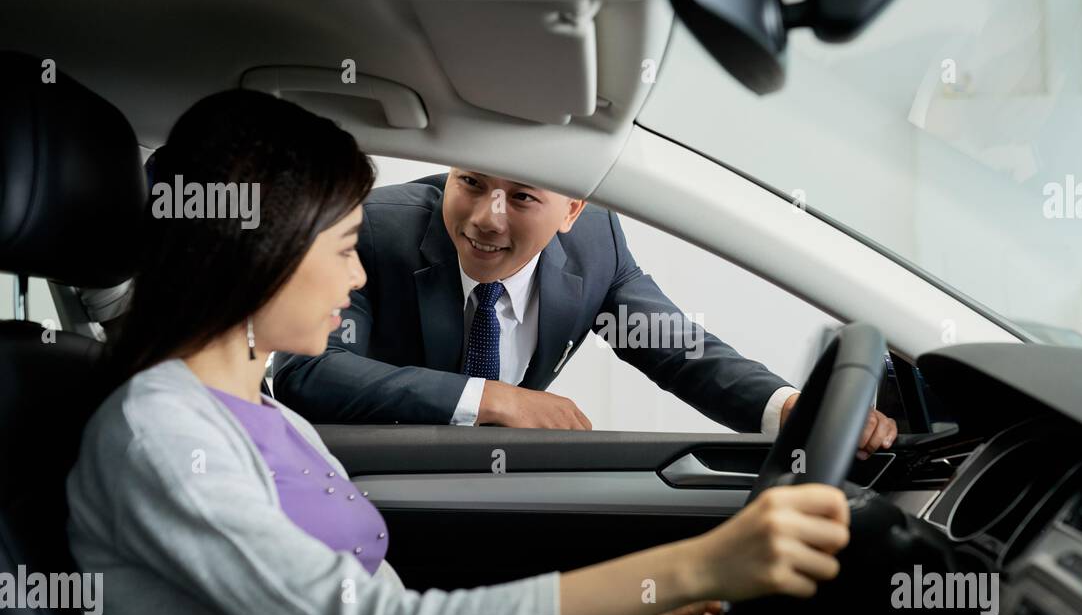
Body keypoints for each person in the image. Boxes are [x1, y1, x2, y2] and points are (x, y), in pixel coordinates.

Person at [66, 88, 870, 615]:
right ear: (262, 251)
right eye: (344, 248)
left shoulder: (276, 425)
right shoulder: (161, 437)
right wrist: (702, 563)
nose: (357, 274)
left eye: (522, 197)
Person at [270, 171, 897, 454]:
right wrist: (495, 399)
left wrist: (789, 408)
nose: (486, 217)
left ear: (571, 213)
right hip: (371, 491)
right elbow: (310, 373)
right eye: (471, 185)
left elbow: (678, 350)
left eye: (521, 198)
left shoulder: (597, 243)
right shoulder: (376, 229)